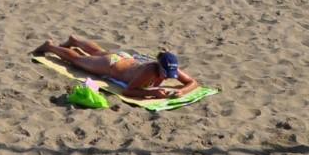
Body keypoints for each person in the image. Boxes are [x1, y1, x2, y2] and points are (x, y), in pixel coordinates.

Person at [31, 38, 199, 101]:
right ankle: (50, 46)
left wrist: (183, 92)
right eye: (165, 74)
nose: (168, 77)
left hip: (124, 58)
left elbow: (192, 83)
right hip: (111, 65)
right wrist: (151, 94)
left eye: (170, 74)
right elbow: (128, 91)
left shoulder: (171, 67)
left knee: (98, 52)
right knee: (77, 60)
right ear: (159, 66)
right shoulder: (149, 72)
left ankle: (74, 40)